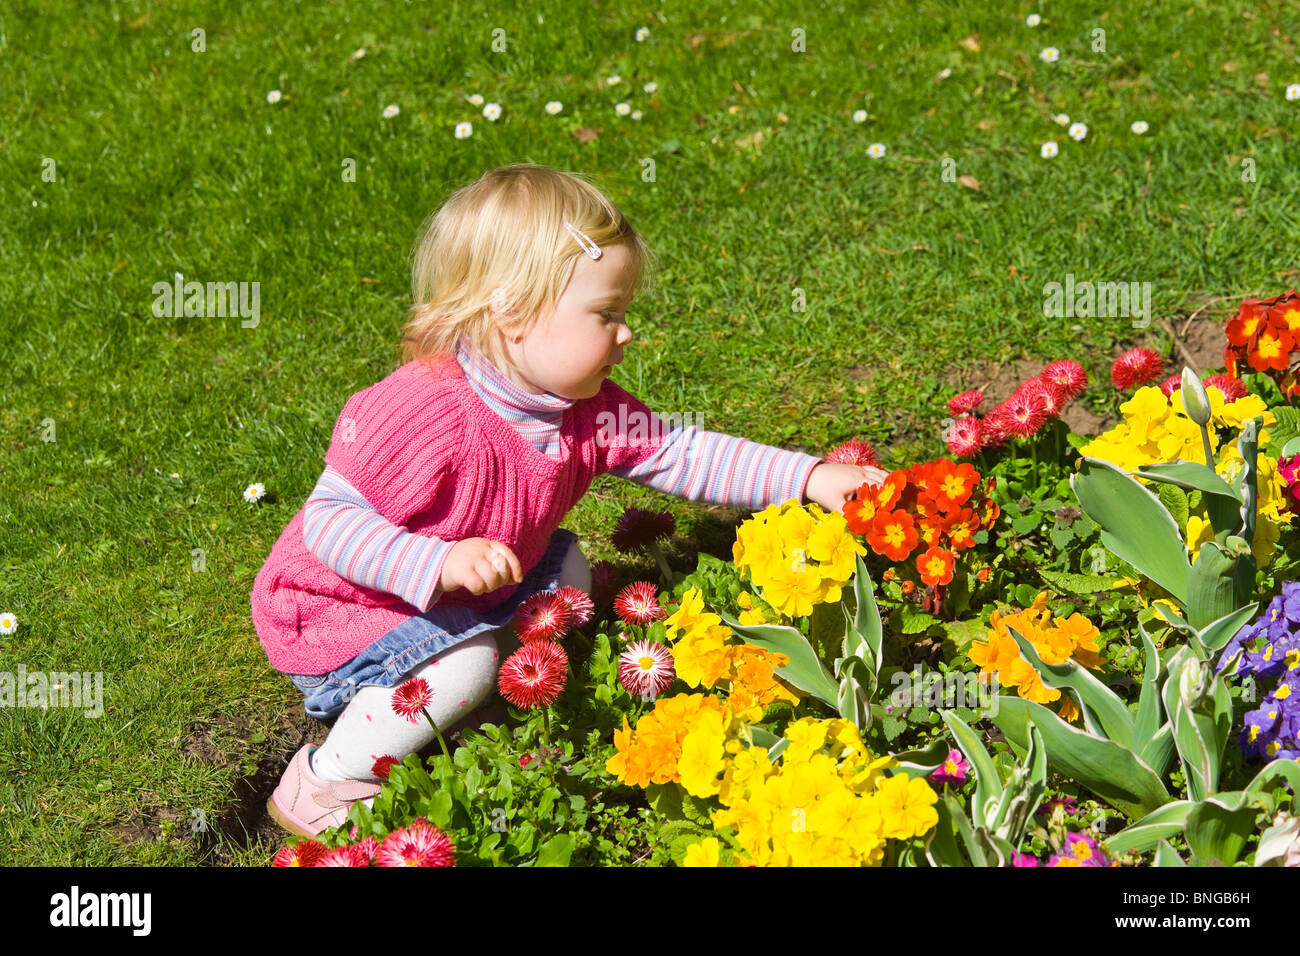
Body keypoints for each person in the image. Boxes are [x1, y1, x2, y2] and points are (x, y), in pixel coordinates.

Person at [250, 163, 885, 837]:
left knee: (569, 573)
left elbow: (682, 453)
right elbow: (329, 521)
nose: (626, 333)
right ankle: (324, 780)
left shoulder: (584, 410)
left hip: (464, 585)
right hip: (345, 612)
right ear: (512, 312)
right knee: (468, 663)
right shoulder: (425, 408)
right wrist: (433, 563)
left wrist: (810, 478)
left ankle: (485, 688)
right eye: (606, 314)